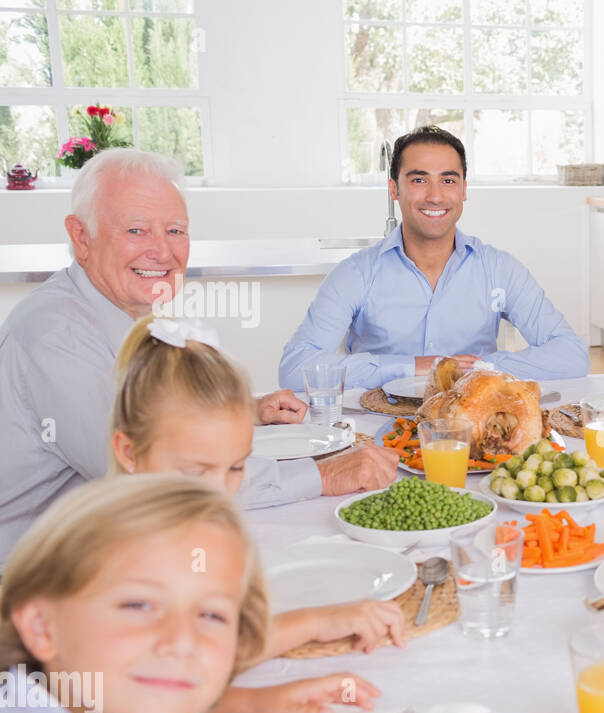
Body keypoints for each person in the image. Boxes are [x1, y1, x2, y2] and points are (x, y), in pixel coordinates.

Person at [0, 148, 399, 568]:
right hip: (42, 584)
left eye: (175, 230)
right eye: (136, 230)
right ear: (81, 237)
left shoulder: (116, 308)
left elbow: (145, 417)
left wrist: (246, 410)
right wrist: (325, 475)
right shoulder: (55, 333)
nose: (162, 252)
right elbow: (159, 479)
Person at [0, 475, 381, 713]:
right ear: (43, 627)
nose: (183, 641)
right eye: (138, 605)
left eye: (211, 613)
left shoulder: (93, 703)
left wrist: (248, 703)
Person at [110, 318, 409, 660]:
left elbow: (214, 638)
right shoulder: (121, 562)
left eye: (238, 466)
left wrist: (263, 701)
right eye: (196, 471)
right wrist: (312, 622)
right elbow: (176, 668)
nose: (222, 491)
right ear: (129, 453)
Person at [278, 125, 589, 390]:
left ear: (464, 189)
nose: (436, 196)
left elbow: (572, 354)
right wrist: (416, 366)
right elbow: (295, 369)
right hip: (375, 429)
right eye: (419, 180)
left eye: (448, 180)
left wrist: (479, 368)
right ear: (393, 189)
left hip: (473, 429)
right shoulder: (356, 274)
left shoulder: (498, 269)